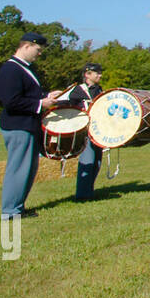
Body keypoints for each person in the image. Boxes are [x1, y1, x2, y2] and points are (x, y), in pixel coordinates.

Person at [0, 31, 65, 218]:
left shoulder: (24, 68)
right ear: (26, 46)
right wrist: (40, 104)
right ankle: (10, 211)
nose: (40, 53)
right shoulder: (11, 69)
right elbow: (10, 101)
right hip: (18, 126)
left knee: (27, 169)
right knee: (19, 168)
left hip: (27, 125)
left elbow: (27, 95)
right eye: (38, 49)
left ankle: (17, 207)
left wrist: (47, 96)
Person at [67, 62, 105, 201]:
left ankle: (89, 190)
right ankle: (82, 195)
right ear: (87, 74)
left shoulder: (98, 90)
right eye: (97, 73)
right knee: (88, 160)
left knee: (97, 162)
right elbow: (65, 106)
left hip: (97, 131)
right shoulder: (78, 91)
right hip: (84, 131)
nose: (100, 75)